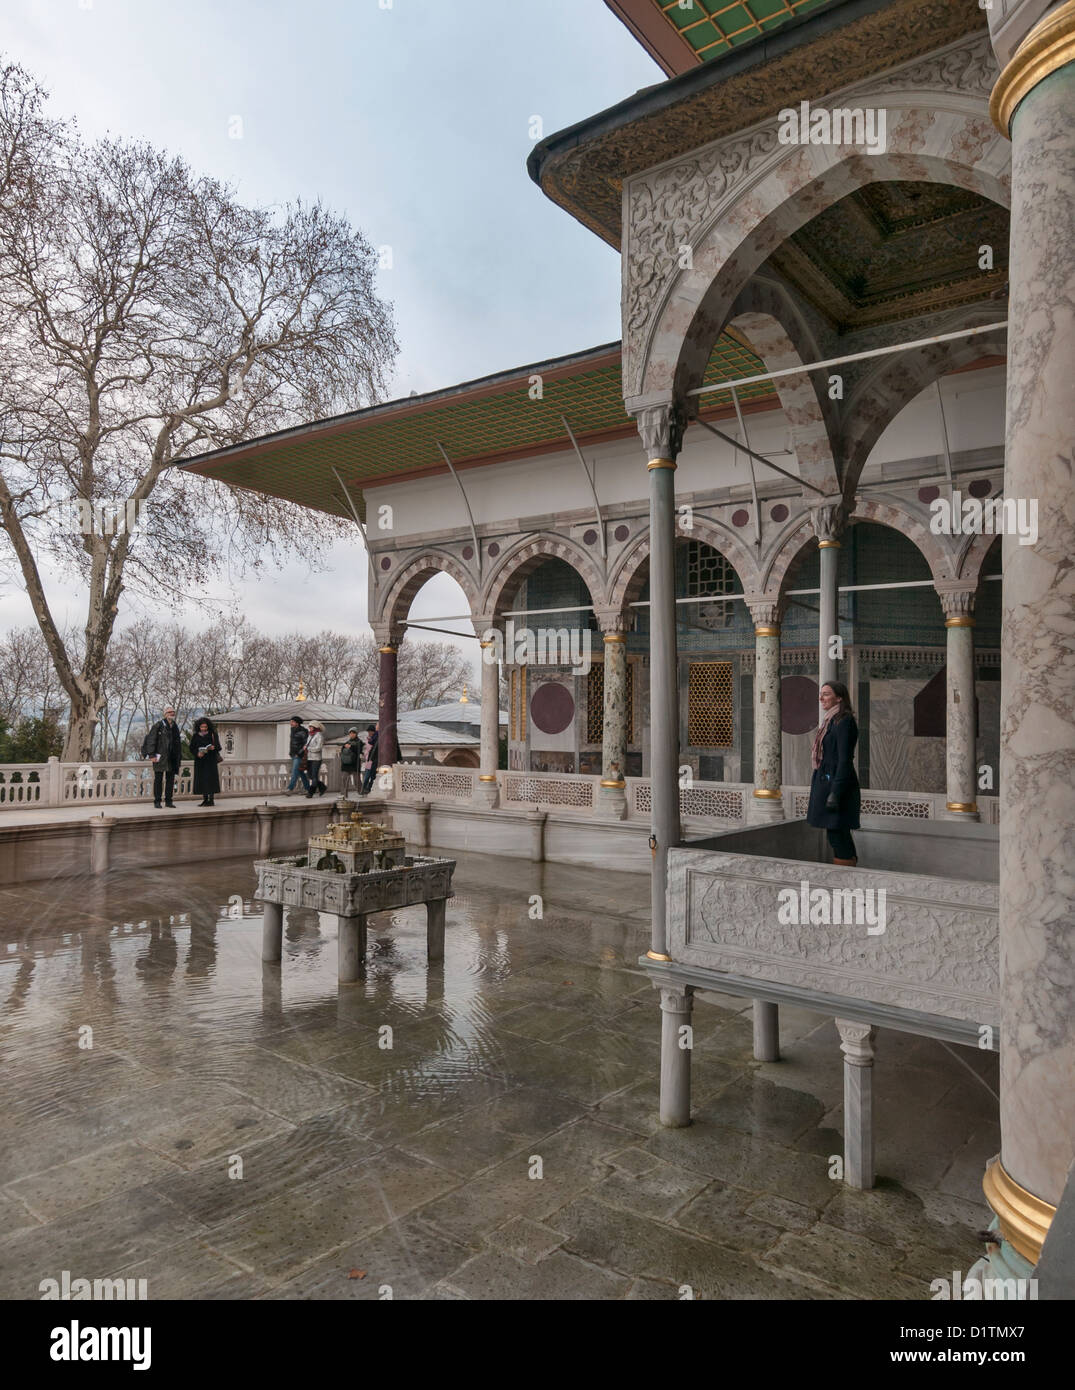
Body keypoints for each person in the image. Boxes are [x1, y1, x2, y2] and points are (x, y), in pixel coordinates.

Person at [806, 680, 861, 865]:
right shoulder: (831, 721)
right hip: (828, 782)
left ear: (839, 698)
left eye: (826, 694)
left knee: (838, 834)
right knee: (837, 834)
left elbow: (845, 760)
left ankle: (845, 880)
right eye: (821, 694)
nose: (821, 698)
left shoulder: (844, 721)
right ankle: (848, 877)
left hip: (838, 786)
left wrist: (835, 793)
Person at [143, 705, 182, 808]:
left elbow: (178, 743)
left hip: (171, 758)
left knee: (170, 781)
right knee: (158, 780)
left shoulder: (175, 726)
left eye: (173, 712)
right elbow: (151, 740)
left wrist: (178, 757)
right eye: (169, 712)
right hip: (159, 757)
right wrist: (151, 754)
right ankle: (157, 801)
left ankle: (169, 801)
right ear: (165, 714)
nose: (172, 713)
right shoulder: (158, 725)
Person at [190, 716, 222, 808]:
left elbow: (218, 747)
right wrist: (197, 753)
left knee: (210, 779)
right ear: (198, 727)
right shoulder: (196, 736)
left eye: (205, 727)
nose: (204, 729)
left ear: (208, 726)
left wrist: (213, 747)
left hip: (210, 761)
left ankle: (211, 800)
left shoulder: (213, 734)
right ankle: (204, 799)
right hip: (200, 761)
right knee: (202, 780)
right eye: (202, 727)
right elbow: (191, 748)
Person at [286, 715, 310, 795]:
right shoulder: (293, 730)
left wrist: (298, 754)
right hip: (293, 754)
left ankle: (290, 789)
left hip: (299, 755)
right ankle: (308, 789)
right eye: (291, 722)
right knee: (300, 772)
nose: (291, 723)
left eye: (292, 722)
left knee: (295, 772)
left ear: (297, 723)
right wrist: (291, 753)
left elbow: (306, 744)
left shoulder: (303, 731)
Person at [304, 721, 326, 798]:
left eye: (311, 727)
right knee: (310, 775)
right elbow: (308, 744)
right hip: (309, 758)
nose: (309, 728)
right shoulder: (310, 735)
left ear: (315, 727)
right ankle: (322, 786)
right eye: (309, 727)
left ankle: (311, 792)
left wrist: (308, 748)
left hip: (316, 759)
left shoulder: (319, 735)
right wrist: (305, 747)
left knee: (314, 776)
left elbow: (319, 748)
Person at [339, 727, 361, 796]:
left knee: (356, 780)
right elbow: (342, 750)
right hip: (346, 764)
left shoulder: (359, 742)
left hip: (354, 764)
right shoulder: (347, 742)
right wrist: (345, 747)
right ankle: (343, 794)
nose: (351, 734)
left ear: (356, 734)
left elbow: (359, 750)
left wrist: (351, 747)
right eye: (350, 733)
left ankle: (361, 792)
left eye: (353, 733)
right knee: (344, 778)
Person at [360, 723, 378, 796]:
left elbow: (372, 749)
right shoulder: (369, 739)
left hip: (373, 759)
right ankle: (364, 789)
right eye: (368, 732)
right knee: (367, 775)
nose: (369, 733)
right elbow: (367, 749)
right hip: (369, 760)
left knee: (372, 776)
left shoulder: (375, 738)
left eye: (370, 731)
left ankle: (368, 788)